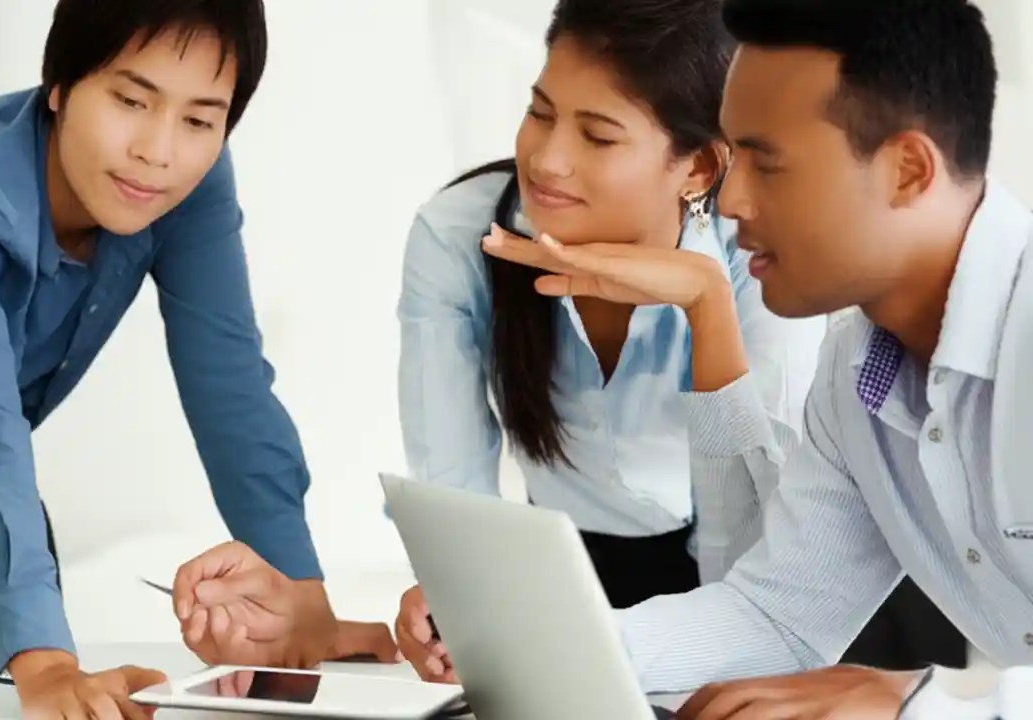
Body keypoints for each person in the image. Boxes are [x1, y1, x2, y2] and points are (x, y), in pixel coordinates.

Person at [0, 2, 393, 718]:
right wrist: (47, 663)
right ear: (59, 86)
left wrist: (301, 599)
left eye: (199, 118)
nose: (159, 149)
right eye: (130, 100)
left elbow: (230, 382)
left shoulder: (184, 182)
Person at [401, 0, 1032, 717]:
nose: (728, 202)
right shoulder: (856, 373)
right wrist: (519, 645)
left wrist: (919, 699)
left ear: (907, 171)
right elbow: (776, 616)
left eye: (768, 164)